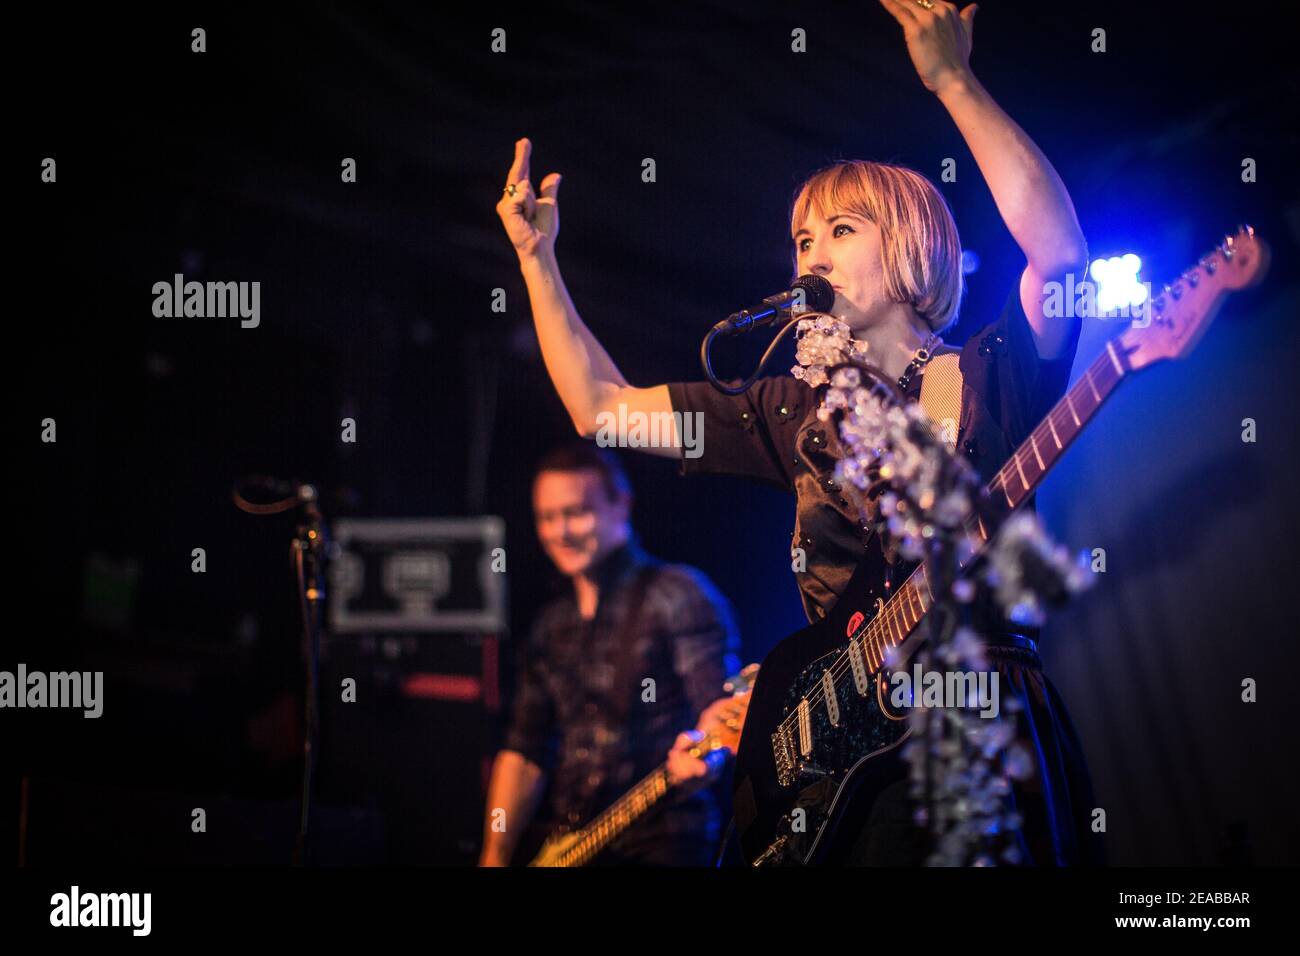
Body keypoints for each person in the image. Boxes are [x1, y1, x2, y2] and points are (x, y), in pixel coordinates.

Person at [494, 0, 1106, 865]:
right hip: (845, 755)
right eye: (801, 238)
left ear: (912, 251)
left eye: (841, 230)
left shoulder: (982, 378)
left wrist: (952, 81)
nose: (809, 253)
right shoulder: (790, 411)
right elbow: (602, 407)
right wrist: (536, 262)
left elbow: (1063, 261)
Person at [478, 440, 741, 866]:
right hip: (576, 846)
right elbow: (524, 752)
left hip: (666, 840)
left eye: (576, 512)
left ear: (622, 505)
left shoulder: (677, 594)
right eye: (547, 517)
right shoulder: (550, 624)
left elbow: (722, 710)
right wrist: (495, 853)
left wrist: (706, 756)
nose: (560, 531)